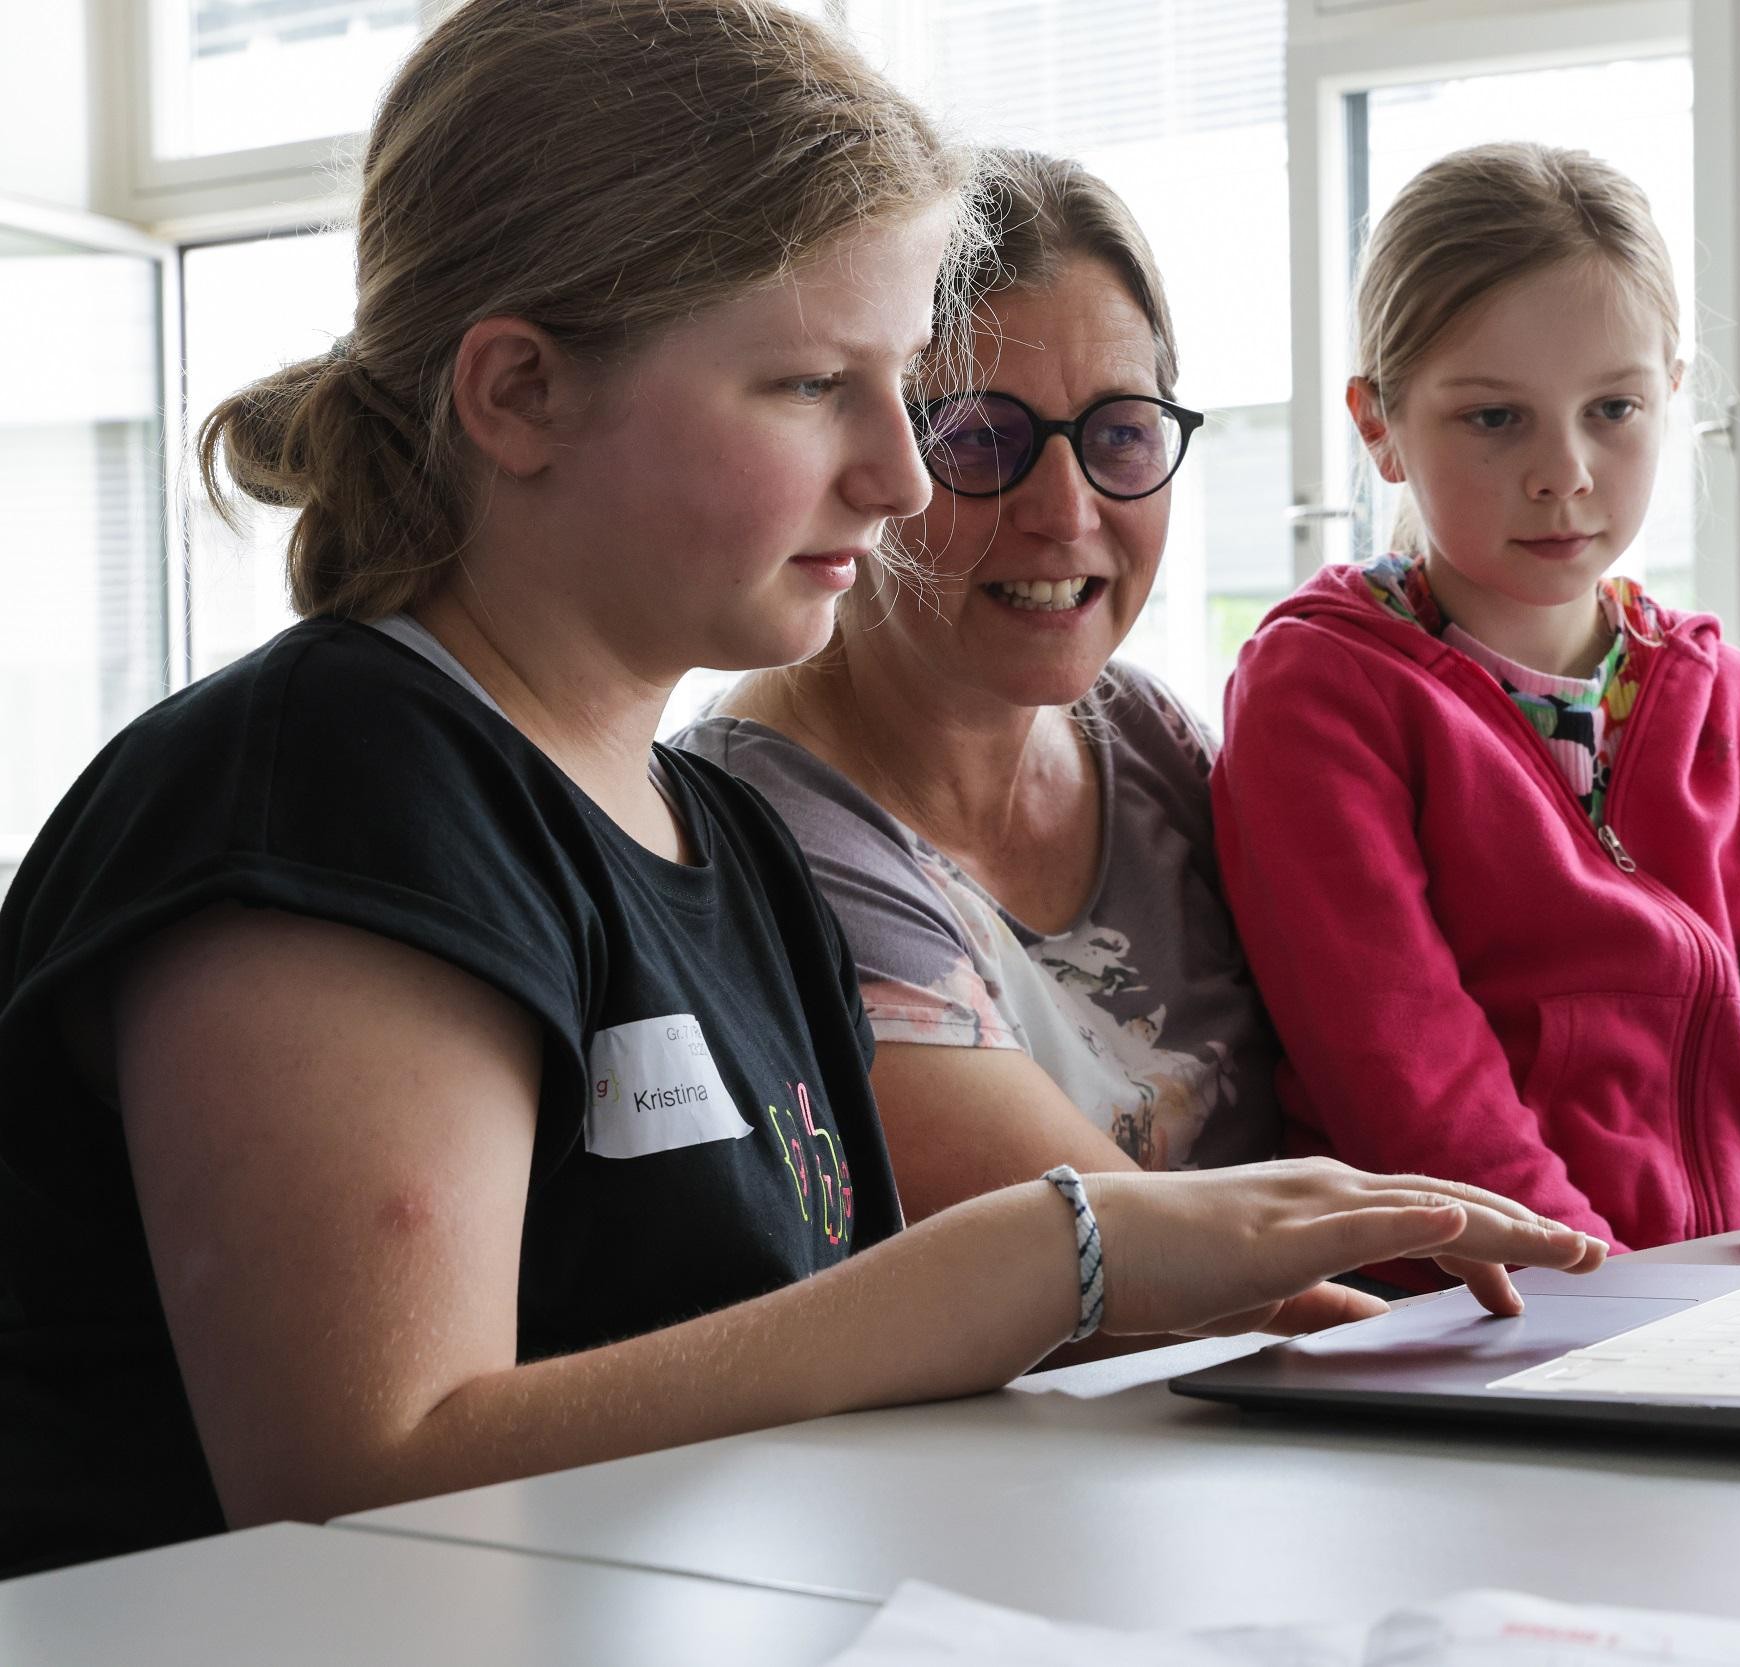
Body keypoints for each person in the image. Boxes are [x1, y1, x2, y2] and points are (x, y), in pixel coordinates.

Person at [0, 1, 1604, 1578]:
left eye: (899, 388)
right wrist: (1061, 1254)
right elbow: (360, 1482)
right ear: (519, 394)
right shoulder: (327, 788)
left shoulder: (734, 847)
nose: (902, 479)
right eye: (808, 385)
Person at [1211, 142, 1740, 1265]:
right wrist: (1602, 1296)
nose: (1562, 471)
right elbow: (1412, 1081)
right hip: (1495, 1316)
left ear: (1670, 393)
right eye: (1493, 418)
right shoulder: (1319, 695)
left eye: (1612, 406)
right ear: (1378, 423)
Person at [681, 150, 1279, 1222]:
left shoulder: (1144, 732)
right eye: (975, 438)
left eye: (1120, 433)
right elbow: (1120, 1270)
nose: (1065, 508)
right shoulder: (757, 835)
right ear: (866, 460)